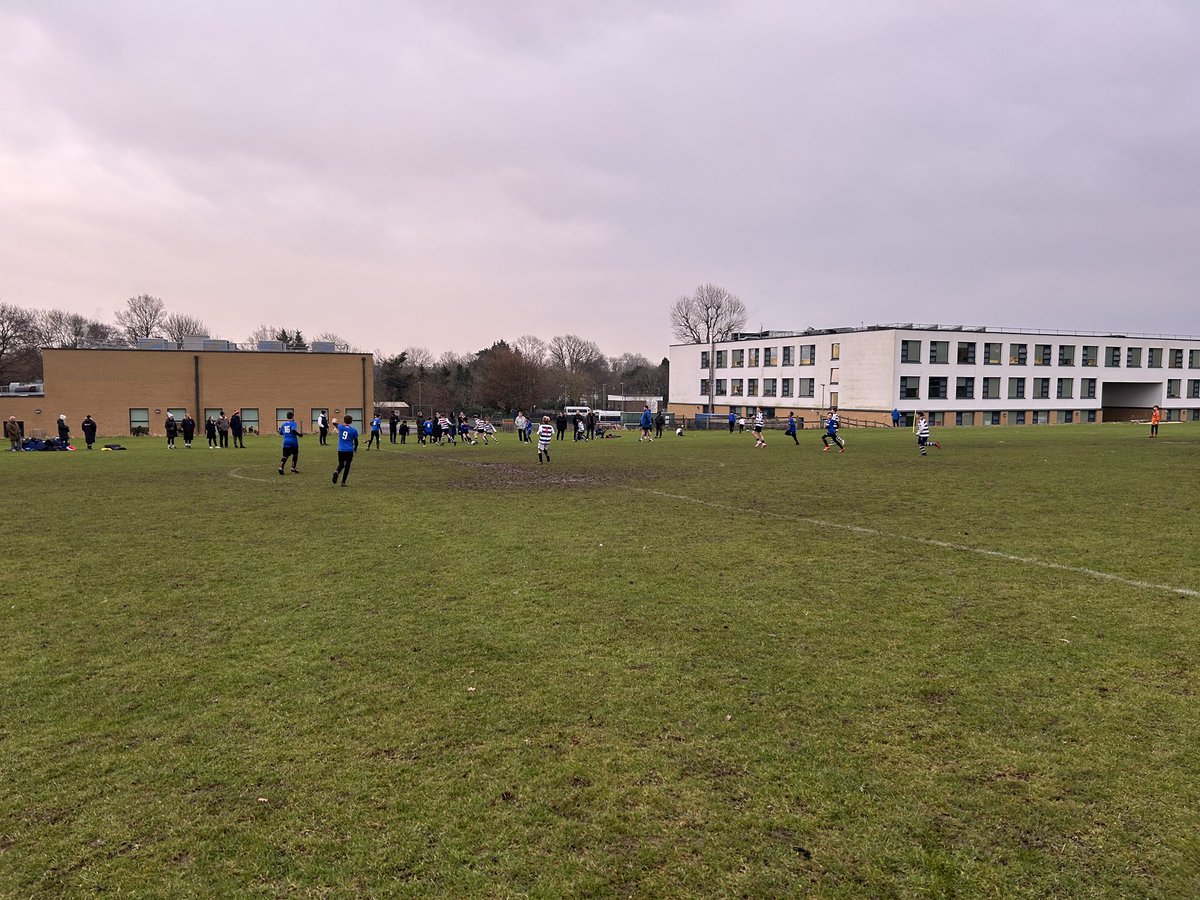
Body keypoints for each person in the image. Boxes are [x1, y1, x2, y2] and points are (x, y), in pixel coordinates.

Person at [332, 414, 358, 485]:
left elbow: (334, 423)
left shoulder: (340, 427)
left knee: (341, 464)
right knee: (347, 466)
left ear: (344, 421)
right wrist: (355, 448)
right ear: (351, 422)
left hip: (341, 450)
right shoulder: (353, 430)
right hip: (349, 450)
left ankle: (337, 471)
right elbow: (356, 441)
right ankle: (343, 482)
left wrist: (333, 421)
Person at [277, 410, 302, 474]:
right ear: (293, 417)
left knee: (285, 455)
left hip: (285, 441)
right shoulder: (293, 423)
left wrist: (285, 434)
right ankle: (293, 468)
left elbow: (280, 432)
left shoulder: (283, 424)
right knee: (295, 454)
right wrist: (299, 434)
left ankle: (281, 467)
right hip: (293, 441)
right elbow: (293, 430)